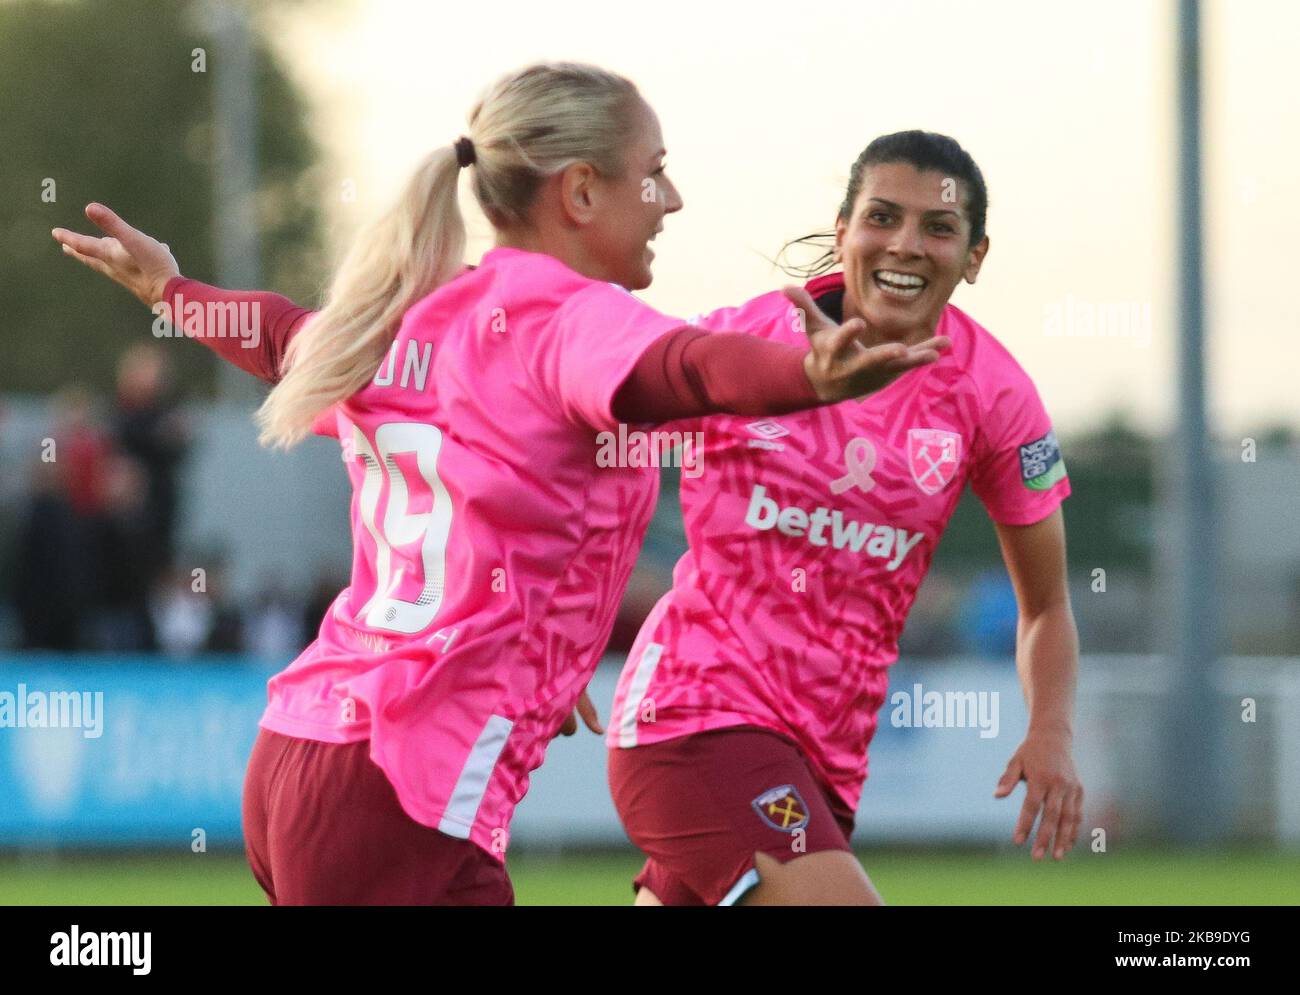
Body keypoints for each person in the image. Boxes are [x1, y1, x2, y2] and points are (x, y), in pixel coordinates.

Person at [51, 64, 949, 905]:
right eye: (654, 174)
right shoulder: (567, 316)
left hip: (304, 750)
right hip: (399, 790)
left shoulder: (416, 310)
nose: (671, 199)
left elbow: (285, 337)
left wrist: (174, 292)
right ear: (582, 191)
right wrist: (809, 374)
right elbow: (686, 369)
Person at [606, 131, 1083, 906]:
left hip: (823, 761)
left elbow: (1047, 607)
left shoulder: (996, 395)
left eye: (939, 227)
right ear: (843, 231)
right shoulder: (740, 343)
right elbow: (586, 457)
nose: (906, 244)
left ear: (974, 256)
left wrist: (1051, 730)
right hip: (692, 721)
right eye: (883, 217)